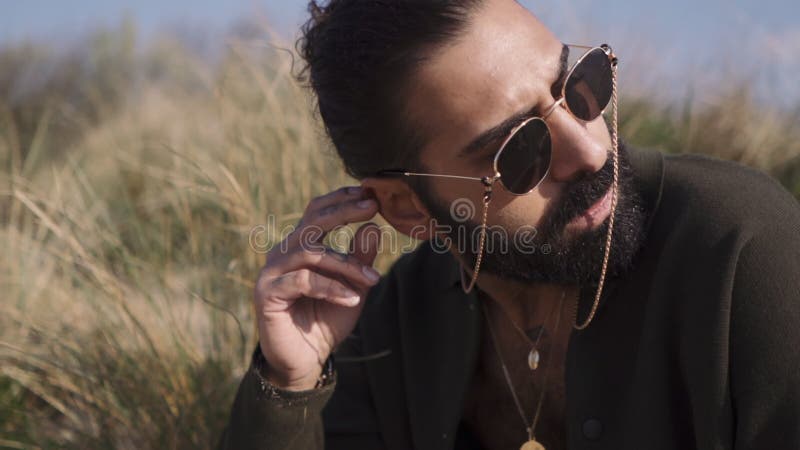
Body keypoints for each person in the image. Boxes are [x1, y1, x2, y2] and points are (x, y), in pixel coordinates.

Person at [218, 0, 800, 449]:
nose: (591, 151)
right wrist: (287, 386)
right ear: (407, 207)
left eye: (577, 86)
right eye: (520, 150)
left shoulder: (740, 251)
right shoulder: (394, 319)